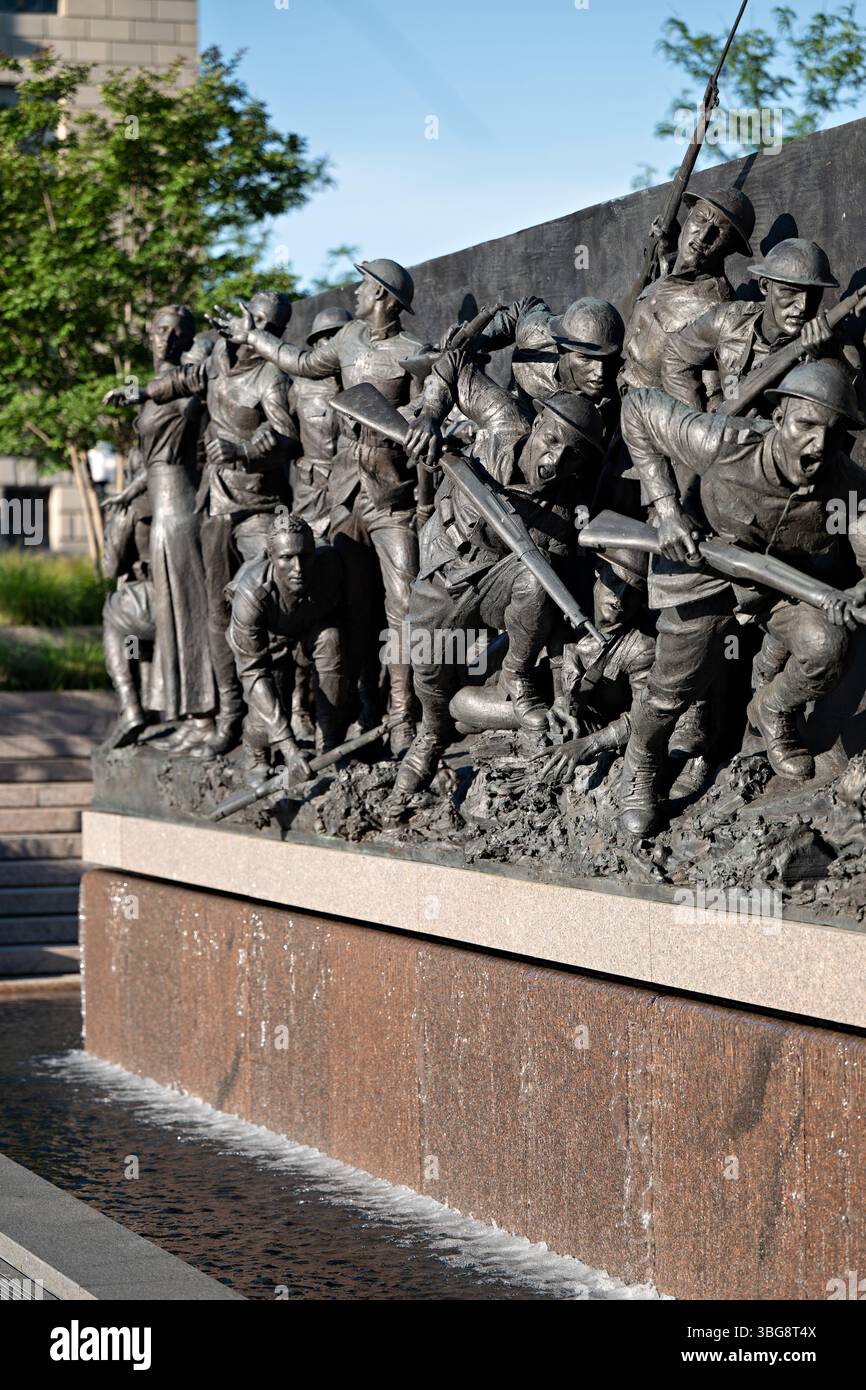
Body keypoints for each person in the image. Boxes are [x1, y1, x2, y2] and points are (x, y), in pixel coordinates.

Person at [616, 360, 866, 837]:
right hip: (703, 569)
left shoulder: (847, 483)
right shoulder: (719, 442)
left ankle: (773, 709)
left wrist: (857, 592)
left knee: (827, 645)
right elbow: (638, 407)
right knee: (671, 692)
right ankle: (642, 763)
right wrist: (666, 510)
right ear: (779, 419)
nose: (817, 445)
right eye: (805, 425)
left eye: (833, 433)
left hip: (781, 584)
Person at [211, 259, 432, 755]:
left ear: (383, 296)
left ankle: (402, 715)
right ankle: (355, 713)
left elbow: (428, 426)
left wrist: (422, 503)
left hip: (391, 500)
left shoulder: (415, 353)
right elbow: (300, 363)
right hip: (342, 496)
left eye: (364, 285)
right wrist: (254, 337)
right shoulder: (348, 338)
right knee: (351, 610)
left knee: (403, 608)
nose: (355, 290)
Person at [395, 347, 607, 796]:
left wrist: (566, 686)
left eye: (572, 457)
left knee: (537, 576)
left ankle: (515, 675)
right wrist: (430, 415)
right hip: (444, 568)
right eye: (551, 441)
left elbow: (549, 604)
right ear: (536, 425)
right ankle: (431, 735)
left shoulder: (564, 512)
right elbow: (452, 364)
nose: (556, 461)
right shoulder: (501, 420)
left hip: (498, 581)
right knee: (427, 667)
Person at [125, 290, 298, 756]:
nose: (249, 325)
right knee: (215, 617)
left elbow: (284, 436)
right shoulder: (219, 360)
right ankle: (228, 720)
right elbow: (182, 381)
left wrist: (244, 450)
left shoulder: (271, 378)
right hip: (216, 507)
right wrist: (141, 390)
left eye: (262, 322)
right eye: (250, 316)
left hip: (258, 509)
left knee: (267, 616)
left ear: (271, 332)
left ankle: (276, 728)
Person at [102, 305, 215, 750]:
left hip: (183, 507)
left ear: (188, 340)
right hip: (164, 505)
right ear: (148, 336)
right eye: (159, 330)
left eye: (176, 332)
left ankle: (204, 717)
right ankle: (187, 714)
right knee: (171, 616)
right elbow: (154, 462)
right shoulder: (154, 395)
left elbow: (188, 447)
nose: (166, 338)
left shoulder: (185, 390)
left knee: (189, 613)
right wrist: (130, 493)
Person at [661, 237, 854, 413]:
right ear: (764, 286)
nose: (803, 306)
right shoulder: (729, 320)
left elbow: (860, 411)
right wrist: (697, 420)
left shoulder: (833, 343)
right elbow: (675, 353)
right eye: (789, 292)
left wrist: (831, 359)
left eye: (813, 294)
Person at [226, 513, 347, 786]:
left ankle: (329, 743)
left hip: (308, 636)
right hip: (268, 648)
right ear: (271, 556)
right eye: (286, 558)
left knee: (331, 638)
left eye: (305, 556)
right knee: (265, 719)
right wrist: (290, 750)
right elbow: (253, 673)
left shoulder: (330, 567)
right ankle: (255, 753)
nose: (298, 568)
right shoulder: (250, 595)